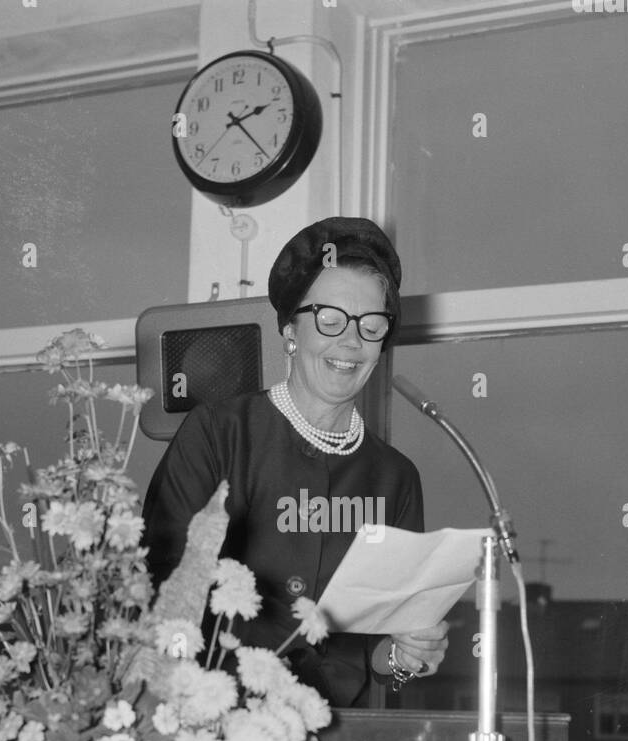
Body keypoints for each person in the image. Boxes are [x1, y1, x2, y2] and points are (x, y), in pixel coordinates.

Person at [141, 216, 449, 706]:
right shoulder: (219, 434)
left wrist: (402, 654)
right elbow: (159, 585)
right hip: (212, 726)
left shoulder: (396, 480)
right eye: (329, 319)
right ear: (290, 329)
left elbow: (374, 652)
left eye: (371, 326)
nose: (350, 341)